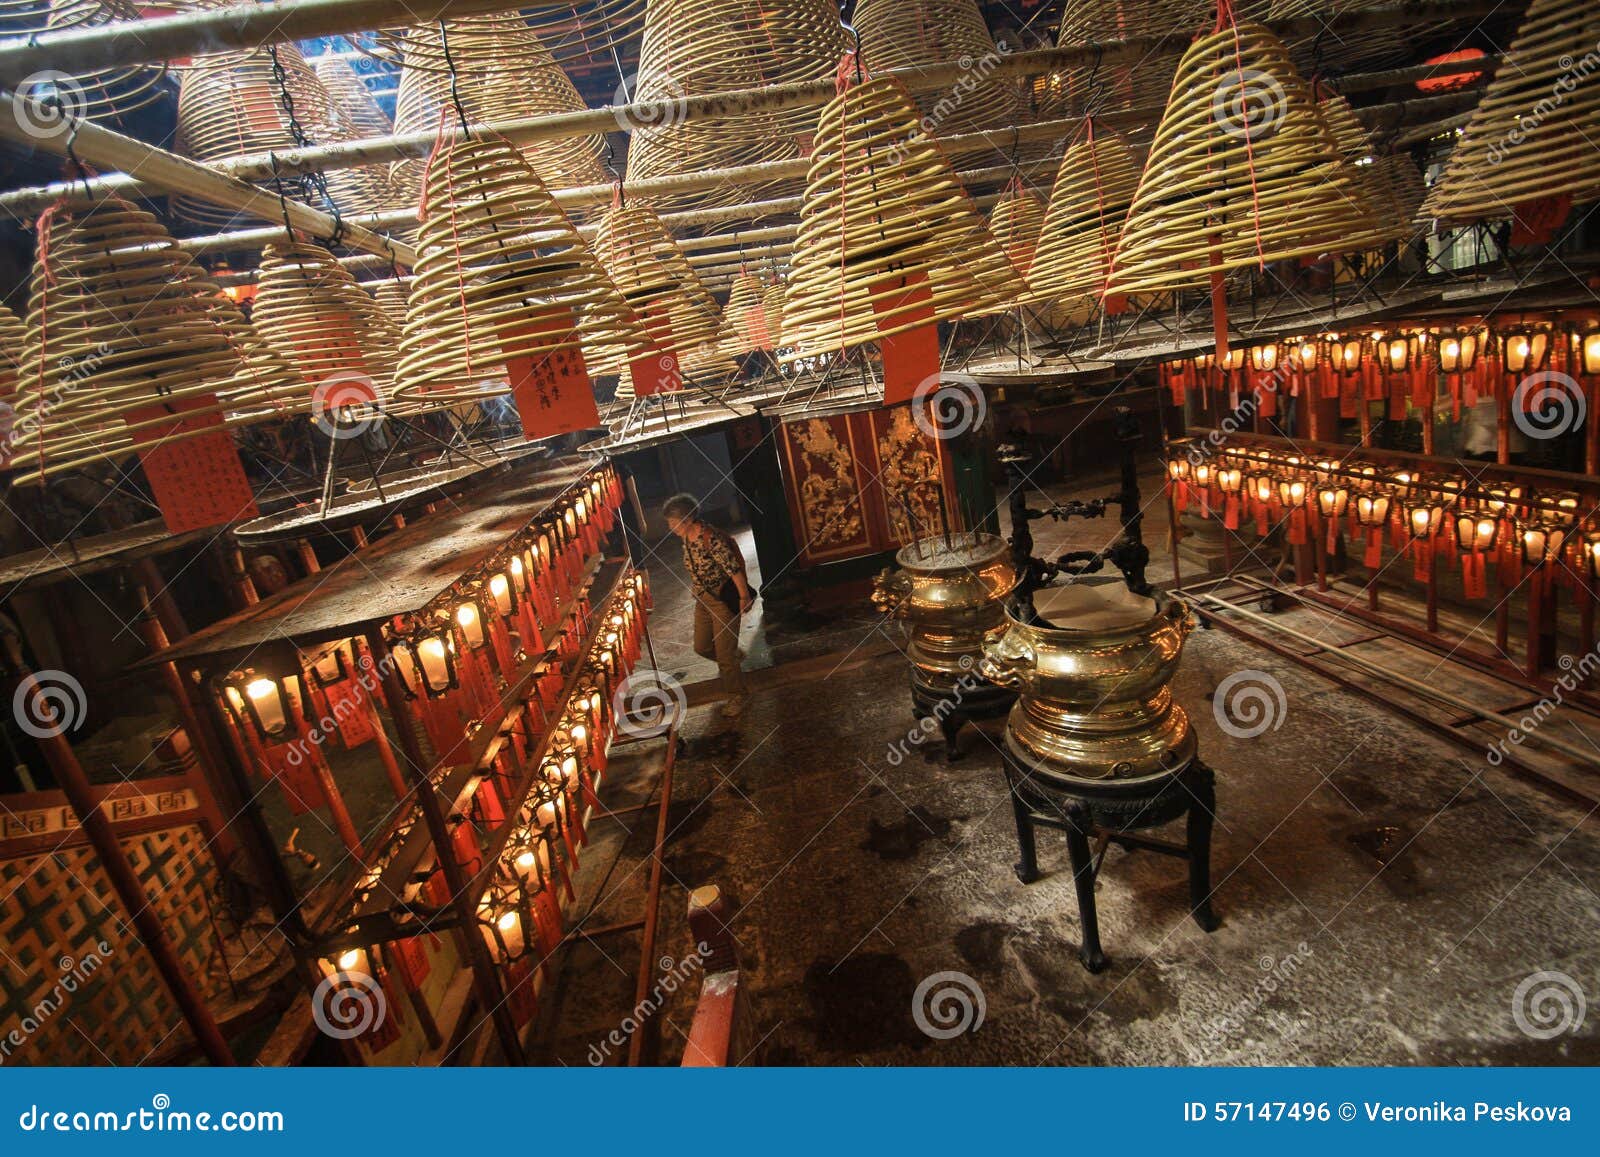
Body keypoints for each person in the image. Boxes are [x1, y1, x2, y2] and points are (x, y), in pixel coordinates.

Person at [662, 494, 756, 717]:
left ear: (687, 519)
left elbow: (733, 569)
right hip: (703, 600)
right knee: (702, 647)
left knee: (724, 657)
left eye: (673, 523)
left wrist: (744, 597)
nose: (670, 528)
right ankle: (732, 658)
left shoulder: (710, 538)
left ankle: (738, 695)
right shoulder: (686, 537)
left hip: (722, 600)